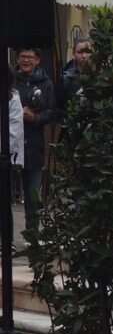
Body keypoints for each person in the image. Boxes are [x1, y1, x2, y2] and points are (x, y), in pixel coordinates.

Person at [12, 47, 60, 228]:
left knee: (33, 194)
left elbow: (51, 111)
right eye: (22, 56)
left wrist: (36, 118)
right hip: (11, 145)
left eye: (30, 57)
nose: (26, 60)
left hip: (34, 144)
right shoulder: (10, 80)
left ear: (37, 60)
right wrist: (18, 113)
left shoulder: (46, 84)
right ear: (17, 59)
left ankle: (32, 234)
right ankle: (6, 236)